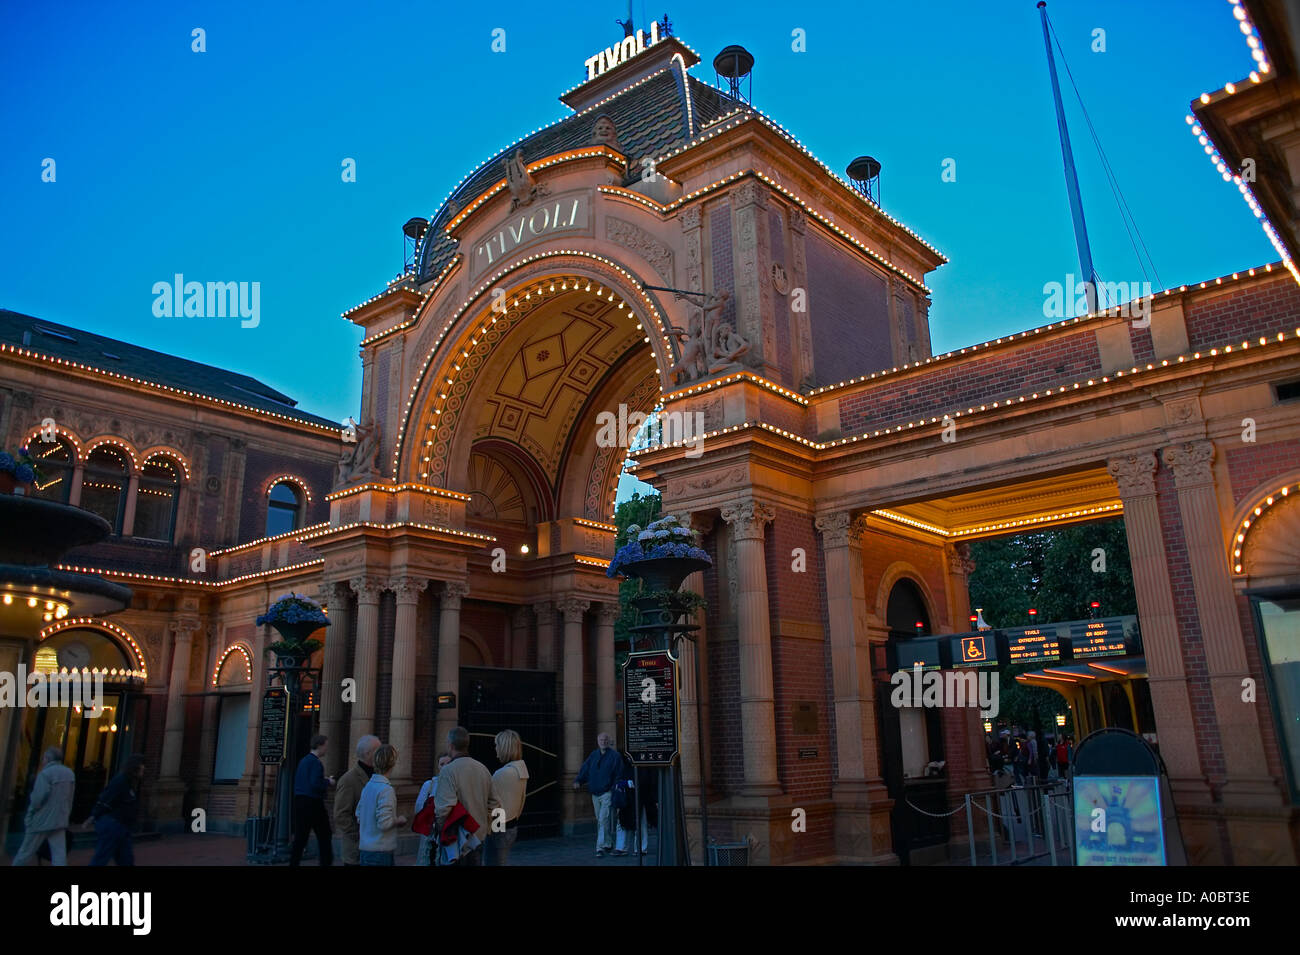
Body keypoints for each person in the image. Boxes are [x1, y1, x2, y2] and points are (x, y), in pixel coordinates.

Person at [434, 726, 499, 867]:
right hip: (478, 836)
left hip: (455, 839)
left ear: (450, 746)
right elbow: (495, 804)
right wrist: (485, 826)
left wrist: (439, 829)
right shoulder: (483, 769)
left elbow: (443, 809)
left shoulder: (448, 771)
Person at [12, 747, 76, 866]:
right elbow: (70, 798)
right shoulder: (70, 773)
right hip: (59, 820)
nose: (42, 761)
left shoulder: (45, 774)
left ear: (47, 758)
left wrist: (30, 816)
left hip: (42, 820)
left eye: (43, 758)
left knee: (26, 852)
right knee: (59, 855)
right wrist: (66, 814)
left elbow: (37, 799)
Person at [89, 754, 145, 866]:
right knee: (101, 858)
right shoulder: (120, 781)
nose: (144, 768)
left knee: (126, 860)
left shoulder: (128, 783)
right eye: (142, 766)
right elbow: (105, 798)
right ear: (134, 767)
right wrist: (94, 815)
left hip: (122, 827)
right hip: (113, 826)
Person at [356, 744, 405, 866]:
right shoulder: (386, 790)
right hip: (380, 851)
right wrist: (399, 820)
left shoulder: (368, 786)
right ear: (392, 763)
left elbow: (358, 815)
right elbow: (384, 823)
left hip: (365, 849)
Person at [573, 732, 622, 856]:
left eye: (605, 739)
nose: (603, 741)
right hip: (595, 793)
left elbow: (618, 774)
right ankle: (608, 843)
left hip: (607, 793)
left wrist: (612, 789)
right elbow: (585, 768)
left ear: (609, 741)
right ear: (597, 741)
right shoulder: (593, 755)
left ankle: (599, 848)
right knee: (600, 820)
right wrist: (579, 780)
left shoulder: (615, 756)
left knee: (603, 819)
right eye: (601, 739)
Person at [334, 734, 380, 866]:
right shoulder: (349, 780)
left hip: (375, 848)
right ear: (368, 753)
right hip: (356, 851)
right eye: (378, 751)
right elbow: (341, 814)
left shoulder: (377, 775)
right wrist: (358, 834)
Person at [290, 735, 335, 866]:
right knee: (325, 835)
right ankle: (325, 862)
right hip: (313, 804)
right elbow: (315, 783)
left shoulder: (303, 761)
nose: (327, 749)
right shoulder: (316, 763)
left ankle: (294, 863)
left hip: (300, 802)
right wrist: (328, 781)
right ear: (320, 746)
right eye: (326, 746)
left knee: (300, 838)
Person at [486, 729, 528, 866]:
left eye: (497, 745)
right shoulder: (520, 770)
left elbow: (492, 803)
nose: (495, 749)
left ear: (504, 747)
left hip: (498, 827)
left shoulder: (502, 774)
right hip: (511, 825)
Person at [414, 754, 451, 866]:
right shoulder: (429, 785)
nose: (444, 767)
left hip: (447, 835)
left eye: (448, 764)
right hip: (429, 834)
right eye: (442, 764)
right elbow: (418, 808)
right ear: (438, 767)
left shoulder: (455, 785)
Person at [614, 761, 656, 856]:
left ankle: (640, 848)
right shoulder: (625, 764)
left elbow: (647, 781)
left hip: (641, 797)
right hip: (628, 798)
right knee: (622, 822)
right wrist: (626, 783)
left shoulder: (644, 765)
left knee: (640, 823)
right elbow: (618, 780)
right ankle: (622, 847)